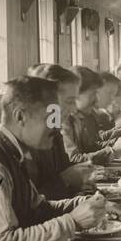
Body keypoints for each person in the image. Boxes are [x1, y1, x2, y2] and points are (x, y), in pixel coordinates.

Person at [0, 76, 115, 241]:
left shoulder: (13, 152)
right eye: (51, 118)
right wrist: (73, 222)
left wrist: (84, 203)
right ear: (20, 116)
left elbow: (39, 209)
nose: (57, 127)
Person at [25, 63, 84, 199]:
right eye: (70, 101)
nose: (75, 109)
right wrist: (65, 180)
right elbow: (28, 205)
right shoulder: (24, 143)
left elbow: (66, 171)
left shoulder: (54, 133)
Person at [61, 66, 118, 165]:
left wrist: (120, 139)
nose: (96, 100)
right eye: (92, 94)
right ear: (76, 94)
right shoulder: (63, 120)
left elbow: (92, 146)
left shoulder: (86, 115)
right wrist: (115, 151)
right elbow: (73, 160)